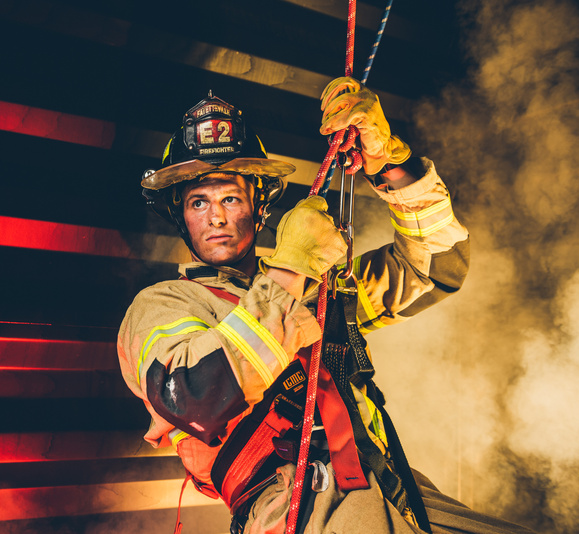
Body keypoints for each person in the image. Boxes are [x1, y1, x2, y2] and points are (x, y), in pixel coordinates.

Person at [117, 79, 533, 534]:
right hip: (292, 501)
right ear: (181, 214)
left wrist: (390, 161)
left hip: (392, 482)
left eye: (231, 198)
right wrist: (291, 267)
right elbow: (193, 397)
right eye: (199, 202)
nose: (216, 216)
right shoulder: (163, 304)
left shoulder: (313, 288)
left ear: (259, 206)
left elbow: (436, 266)